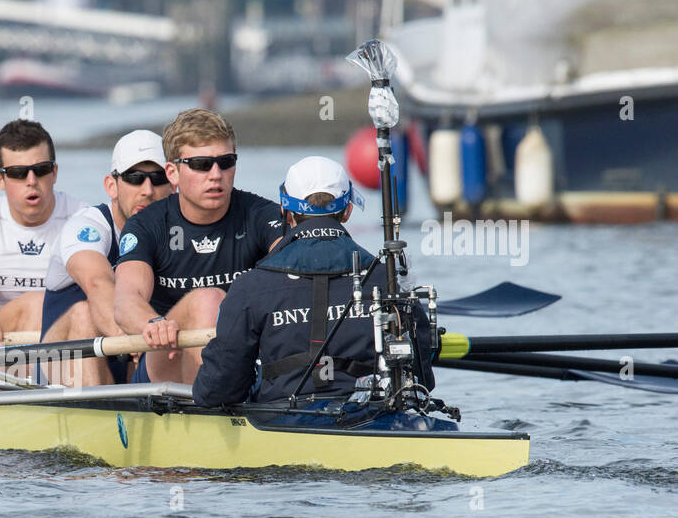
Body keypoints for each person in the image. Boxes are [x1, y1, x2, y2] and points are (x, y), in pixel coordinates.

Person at [193, 156, 435, 406]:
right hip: (375, 417)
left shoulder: (250, 286)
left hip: (281, 426)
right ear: (348, 211)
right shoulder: (390, 280)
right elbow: (422, 380)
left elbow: (217, 391)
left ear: (285, 212)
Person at [114, 109, 284, 384]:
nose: (215, 174)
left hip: (245, 361)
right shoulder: (147, 225)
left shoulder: (262, 215)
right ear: (173, 173)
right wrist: (154, 324)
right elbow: (126, 300)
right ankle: (210, 409)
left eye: (225, 162)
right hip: (167, 361)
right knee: (208, 301)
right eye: (202, 164)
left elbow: (296, 270)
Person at [40, 129, 173, 385]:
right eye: (135, 178)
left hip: (129, 366)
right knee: (85, 313)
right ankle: (93, 414)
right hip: (55, 369)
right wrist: (131, 330)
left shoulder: (179, 236)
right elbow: (98, 283)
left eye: (158, 178)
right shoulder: (86, 228)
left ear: (173, 184)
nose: (147, 190)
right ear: (111, 186)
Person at [0, 119, 86, 349]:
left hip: (68, 339)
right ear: (0, 179)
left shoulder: (82, 219)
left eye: (41, 170)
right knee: (36, 304)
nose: (32, 181)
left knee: (73, 311)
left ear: (55, 172)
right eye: (18, 173)